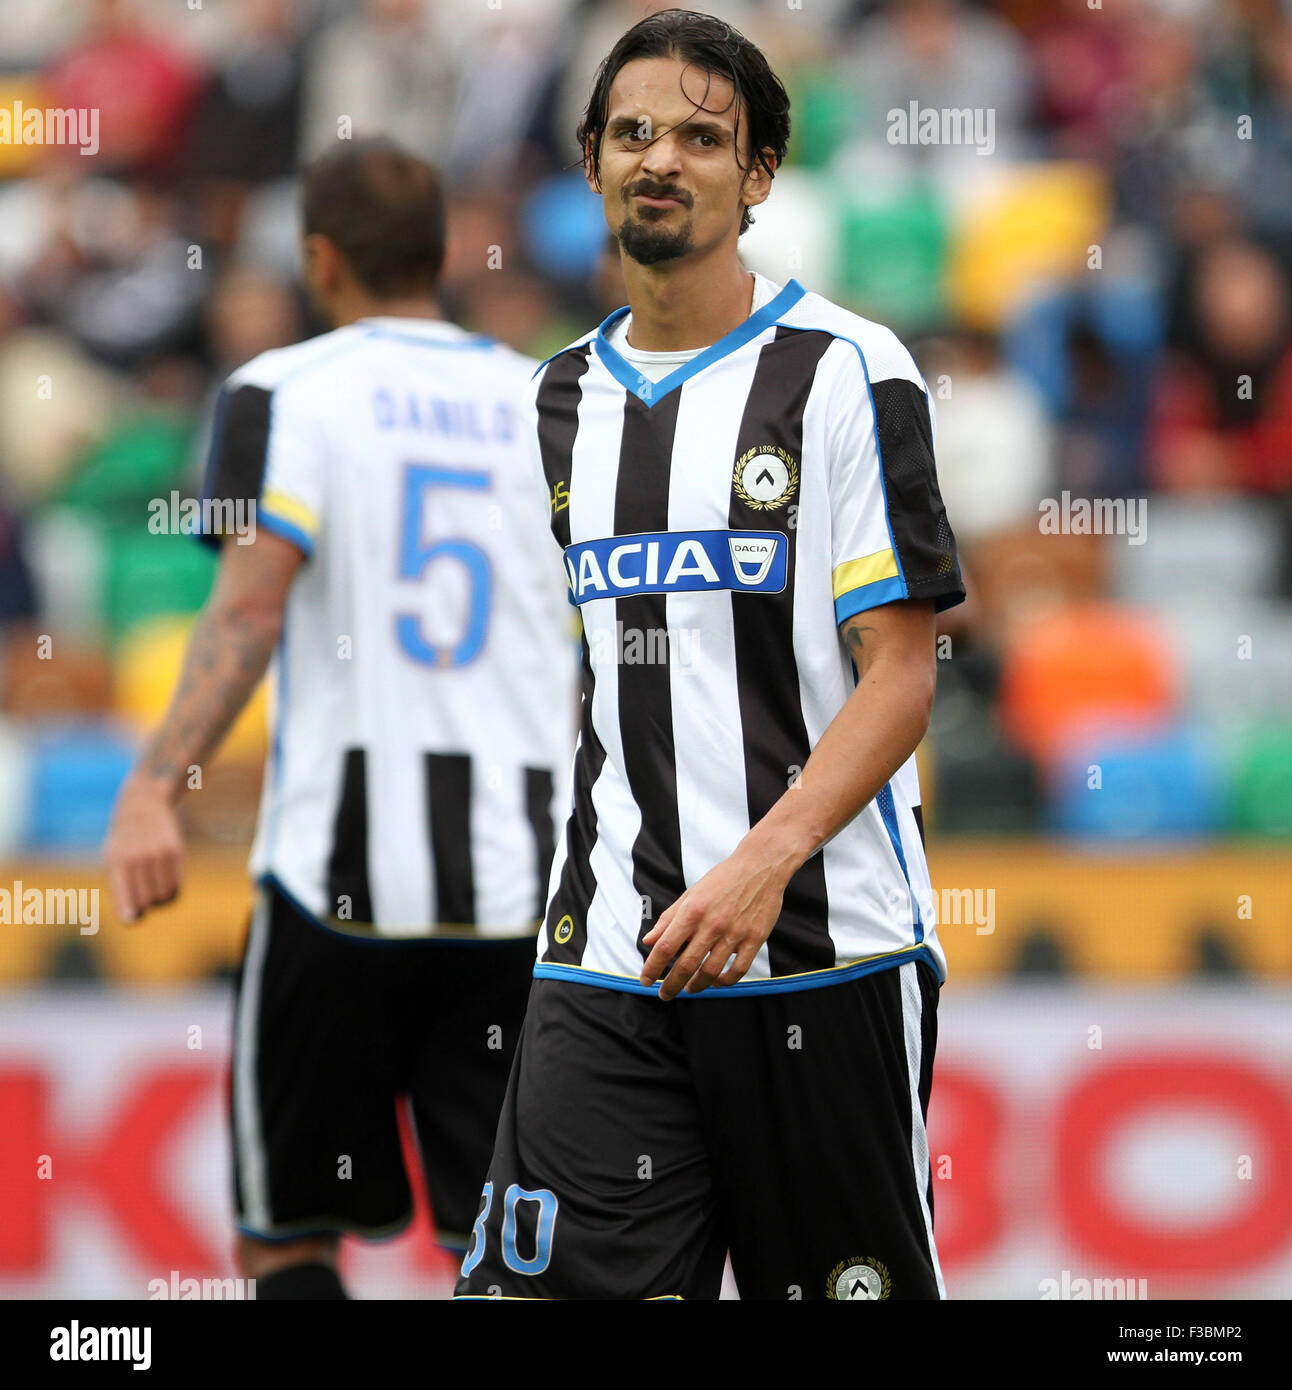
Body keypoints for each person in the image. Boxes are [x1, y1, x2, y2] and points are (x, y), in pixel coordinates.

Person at [455, 8, 965, 1302]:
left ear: (759, 174)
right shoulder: (551, 402)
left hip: (819, 944)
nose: (660, 158)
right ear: (592, 167)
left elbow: (901, 670)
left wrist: (760, 865)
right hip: (608, 948)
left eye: (699, 135)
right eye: (632, 133)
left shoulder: (850, 371)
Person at [103, 139, 576, 1299]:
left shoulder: (278, 391)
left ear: (320, 258)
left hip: (334, 879)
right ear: (445, 254)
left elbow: (250, 603)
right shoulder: (548, 399)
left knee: (289, 1234)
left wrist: (157, 781)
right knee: (516, 1249)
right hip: (523, 880)